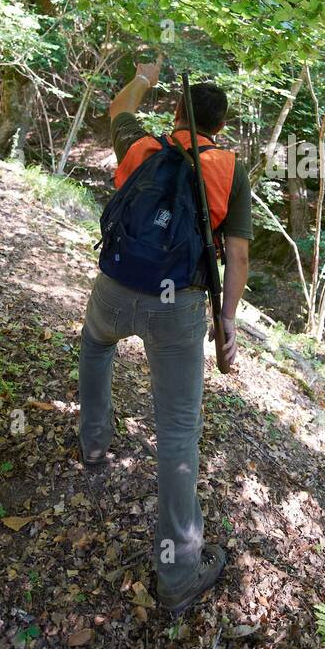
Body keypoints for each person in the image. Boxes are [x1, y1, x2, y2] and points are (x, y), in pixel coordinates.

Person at [78, 57, 251, 614]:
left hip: (117, 281)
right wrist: (227, 323)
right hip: (180, 308)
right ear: (220, 127)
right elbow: (239, 255)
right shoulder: (229, 168)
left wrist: (146, 74)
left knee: (96, 344)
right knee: (178, 432)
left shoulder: (141, 148)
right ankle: (176, 578)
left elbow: (118, 108)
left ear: (176, 112)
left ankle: (94, 442)